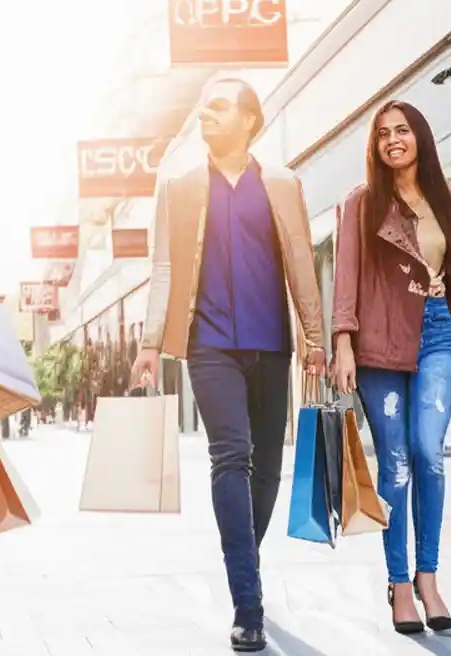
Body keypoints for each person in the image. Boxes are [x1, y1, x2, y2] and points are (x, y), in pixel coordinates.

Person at [130, 77, 326, 653]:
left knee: (267, 467)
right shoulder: (181, 187)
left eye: (217, 107)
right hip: (208, 344)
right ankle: (248, 602)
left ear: (249, 118)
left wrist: (314, 336)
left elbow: (301, 262)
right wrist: (148, 342)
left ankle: (245, 558)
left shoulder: (284, 184)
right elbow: (163, 266)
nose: (205, 118)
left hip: (272, 343)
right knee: (230, 457)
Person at [331, 101, 451, 635]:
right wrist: (342, 343)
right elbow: (346, 278)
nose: (393, 140)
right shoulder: (361, 204)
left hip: (438, 332)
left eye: (402, 130)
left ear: (421, 136)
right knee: (395, 462)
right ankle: (399, 584)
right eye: (382, 134)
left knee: (429, 452)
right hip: (378, 344)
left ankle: (429, 577)